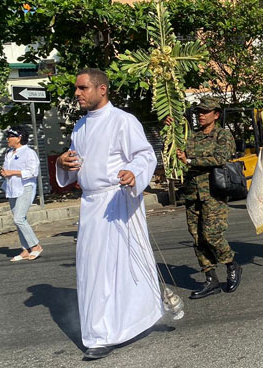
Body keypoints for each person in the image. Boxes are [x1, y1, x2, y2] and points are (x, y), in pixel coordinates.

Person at [55, 68, 162, 360]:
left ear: (102, 89)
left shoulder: (123, 121)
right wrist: (64, 163)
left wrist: (134, 173)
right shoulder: (80, 126)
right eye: (76, 89)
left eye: (82, 88)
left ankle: (106, 333)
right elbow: (73, 163)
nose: (77, 94)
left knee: (117, 269)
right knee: (91, 270)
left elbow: (145, 155)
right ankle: (105, 328)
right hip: (91, 206)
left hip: (117, 202)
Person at [176, 96, 241, 300]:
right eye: (199, 112)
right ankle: (210, 277)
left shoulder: (222, 135)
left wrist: (191, 160)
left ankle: (231, 264)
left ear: (216, 114)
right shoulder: (193, 137)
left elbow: (221, 158)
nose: (201, 115)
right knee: (197, 237)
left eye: (205, 112)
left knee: (212, 235)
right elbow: (178, 151)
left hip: (213, 193)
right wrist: (173, 128)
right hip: (192, 193)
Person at [1, 126, 43, 262]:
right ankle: (25, 249)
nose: (8, 139)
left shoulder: (29, 153)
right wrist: (5, 173)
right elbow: (7, 170)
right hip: (12, 188)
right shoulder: (8, 153)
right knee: (18, 221)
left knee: (18, 218)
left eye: (10, 136)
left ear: (19, 138)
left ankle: (36, 246)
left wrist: (12, 172)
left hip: (25, 187)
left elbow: (33, 172)